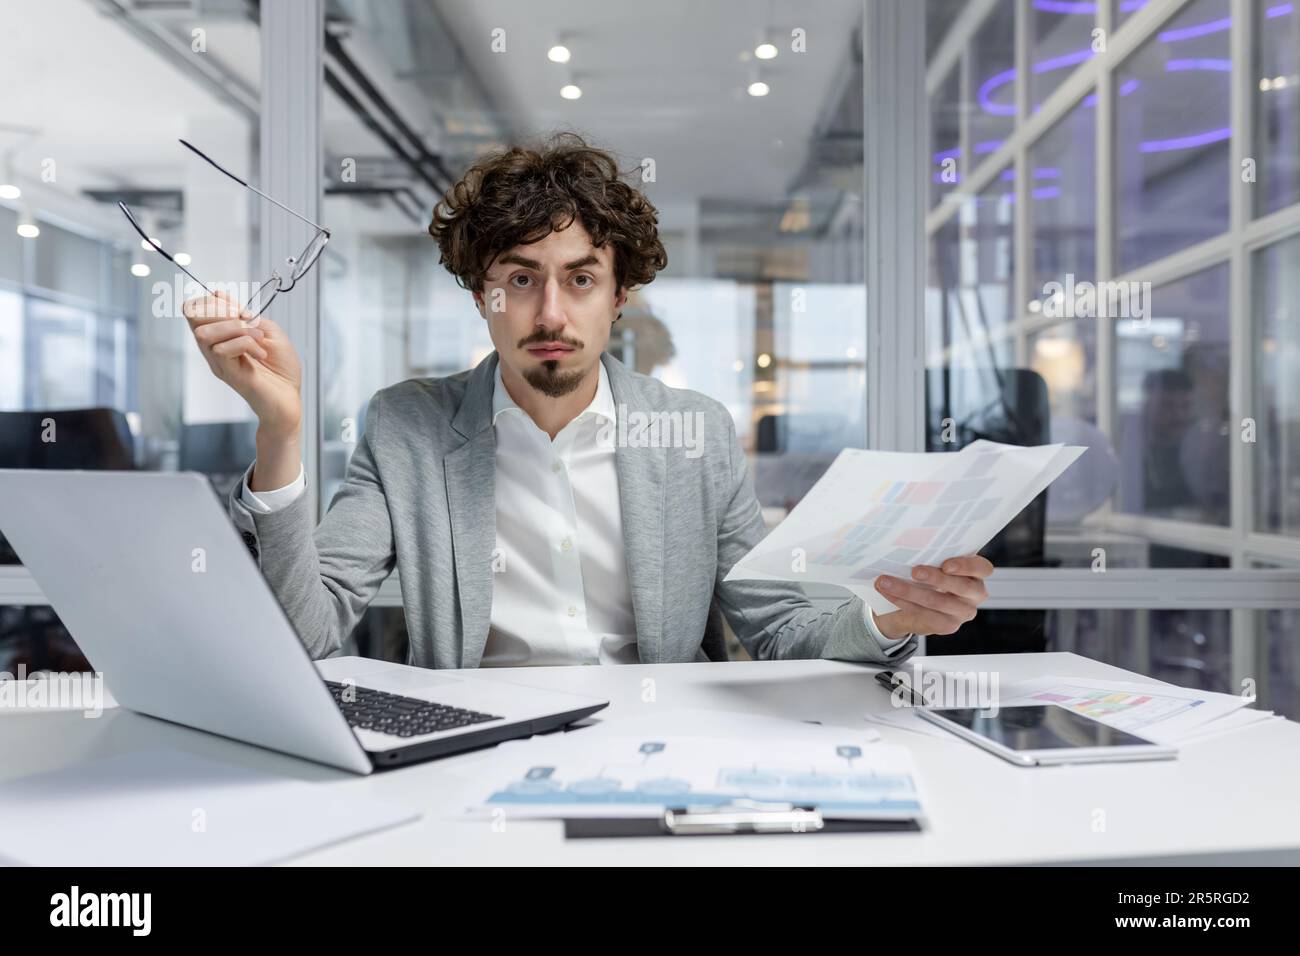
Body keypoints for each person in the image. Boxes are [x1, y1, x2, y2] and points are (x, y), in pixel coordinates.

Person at [182, 132, 993, 668]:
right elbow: (305, 637)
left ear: (619, 297)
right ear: (481, 297)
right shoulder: (408, 426)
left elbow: (780, 628)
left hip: (658, 743)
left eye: (580, 279)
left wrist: (893, 622)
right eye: (519, 280)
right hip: (474, 754)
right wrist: (279, 434)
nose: (549, 316)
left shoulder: (695, 434)